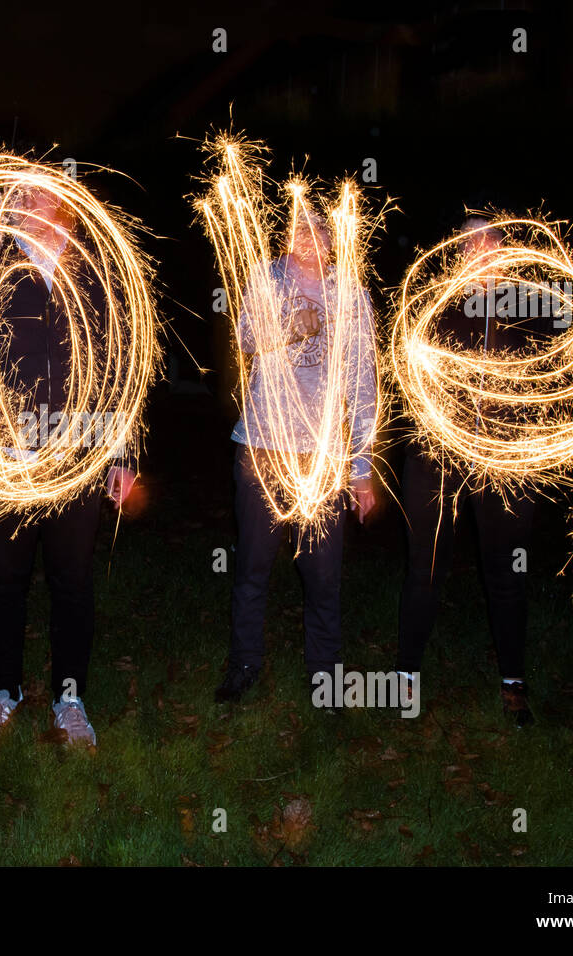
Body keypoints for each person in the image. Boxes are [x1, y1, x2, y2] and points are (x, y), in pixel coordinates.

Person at [0, 183, 138, 750]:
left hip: (79, 454)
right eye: (20, 200)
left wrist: (123, 453)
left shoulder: (95, 274)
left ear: (62, 205)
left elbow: (120, 365)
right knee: (6, 580)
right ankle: (4, 691)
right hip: (7, 459)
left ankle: (69, 698)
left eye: (41, 199)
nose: (31, 208)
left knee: (71, 582)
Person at [215, 209, 378, 704]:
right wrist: (289, 328)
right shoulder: (266, 277)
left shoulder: (352, 295)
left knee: (323, 573)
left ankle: (325, 675)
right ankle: (244, 665)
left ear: (332, 238)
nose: (307, 239)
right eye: (297, 229)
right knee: (253, 568)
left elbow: (364, 383)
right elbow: (242, 340)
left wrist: (362, 468)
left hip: (323, 456)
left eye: (317, 230)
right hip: (262, 449)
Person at [395, 215, 546, 727]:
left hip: (502, 459)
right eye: (468, 241)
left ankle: (513, 683)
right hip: (436, 455)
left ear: (504, 248)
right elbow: (407, 375)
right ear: (455, 250)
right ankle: (407, 677)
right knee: (426, 567)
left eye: (489, 239)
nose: (478, 249)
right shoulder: (433, 306)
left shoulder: (528, 306)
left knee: (506, 571)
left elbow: (549, 378)